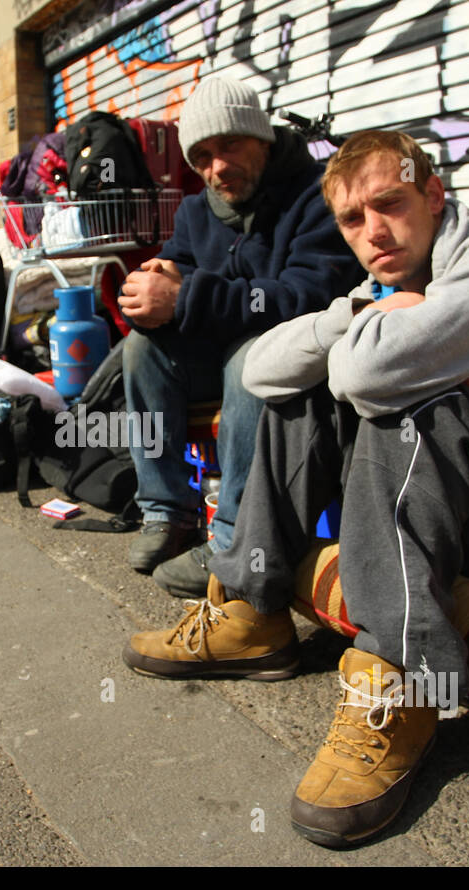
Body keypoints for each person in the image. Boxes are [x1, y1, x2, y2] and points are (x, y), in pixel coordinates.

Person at [123, 129, 469, 849]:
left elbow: (365, 378)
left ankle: (402, 680)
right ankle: (253, 611)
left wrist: (384, 349)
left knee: (404, 400)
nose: (374, 231)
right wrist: (362, 315)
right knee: (300, 390)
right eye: (353, 219)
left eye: (391, 204)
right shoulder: (393, 283)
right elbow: (260, 372)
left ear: (435, 196)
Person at [116, 75, 361, 596]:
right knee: (142, 350)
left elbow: (308, 298)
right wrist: (148, 301)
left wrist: (186, 298)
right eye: (202, 156)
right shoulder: (196, 211)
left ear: (263, 140)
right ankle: (168, 511)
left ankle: (232, 539)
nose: (217, 167)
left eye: (230, 145)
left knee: (254, 355)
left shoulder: (314, 199)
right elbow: (174, 284)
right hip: (219, 360)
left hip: (299, 365)